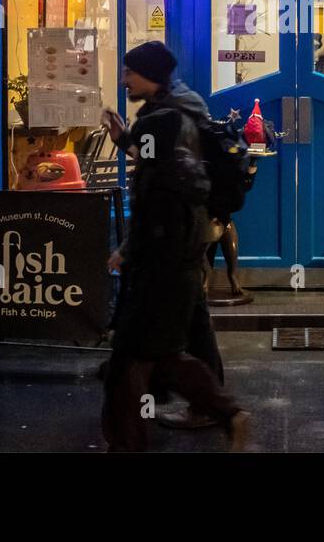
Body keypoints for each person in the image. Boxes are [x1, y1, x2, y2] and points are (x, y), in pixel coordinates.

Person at [99, 41, 248, 451]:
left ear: (150, 74)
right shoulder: (177, 109)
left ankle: (219, 410)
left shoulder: (168, 117)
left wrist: (130, 249)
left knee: (137, 354)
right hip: (181, 245)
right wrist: (126, 139)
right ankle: (220, 409)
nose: (124, 79)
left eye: (130, 72)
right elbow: (163, 169)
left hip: (168, 252)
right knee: (173, 338)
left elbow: (161, 186)